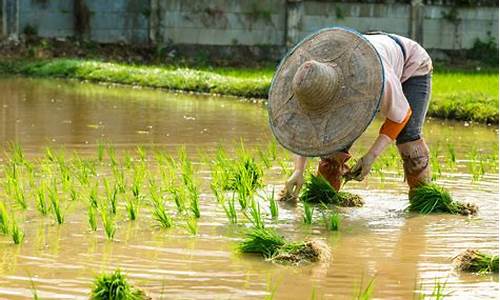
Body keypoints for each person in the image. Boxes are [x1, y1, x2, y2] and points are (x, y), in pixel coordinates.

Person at [267, 27, 433, 199]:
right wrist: (298, 170)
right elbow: (305, 128)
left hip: (412, 65)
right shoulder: (310, 75)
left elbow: (401, 115)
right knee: (332, 152)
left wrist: (370, 156)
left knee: (409, 143)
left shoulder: (377, 76)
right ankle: (325, 201)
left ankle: (423, 202)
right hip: (357, 61)